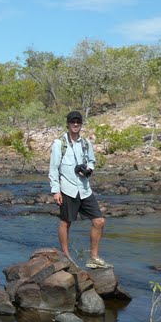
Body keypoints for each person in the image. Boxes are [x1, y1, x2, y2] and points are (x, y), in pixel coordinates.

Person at [48, 110, 112, 269]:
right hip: (67, 189)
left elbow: (92, 161)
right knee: (66, 222)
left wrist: (89, 169)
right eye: (72, 122)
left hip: (84, 189)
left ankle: (94, 258)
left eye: (78, 122)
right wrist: (55, 191)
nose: (75, 124)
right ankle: (66, 256)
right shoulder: (59, 144)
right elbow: (53, 168)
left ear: (81, 124)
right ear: (68, 124)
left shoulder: (86, 143)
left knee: (99, 221)